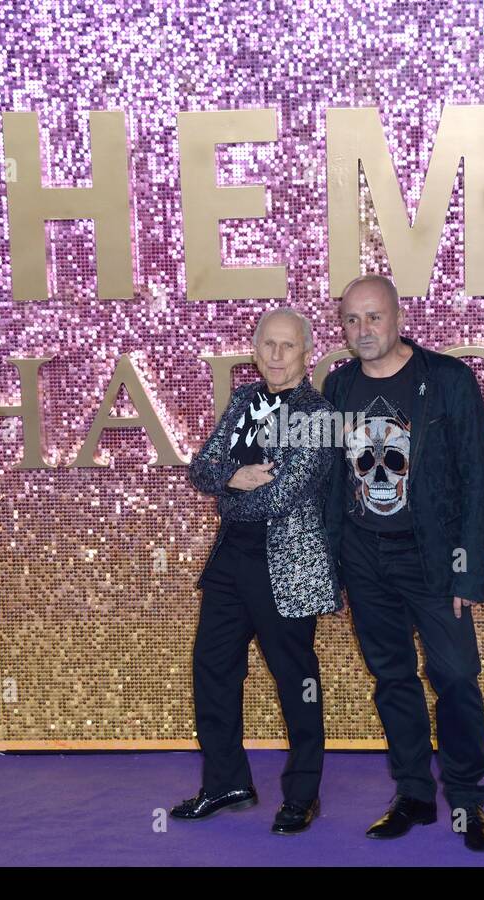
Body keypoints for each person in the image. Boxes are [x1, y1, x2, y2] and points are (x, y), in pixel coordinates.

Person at [321, 274, 484, 852]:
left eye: (373, 317)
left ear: (398, 318)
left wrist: (468, 571)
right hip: (363, 557)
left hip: (434, 557)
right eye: (351, 320)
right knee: (392, 678)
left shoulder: (447, 380)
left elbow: (478, 479)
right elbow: (330, 481)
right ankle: (414, 795)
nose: (363, 330)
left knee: (454, 676)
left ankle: (469, 803)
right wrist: (333, 564)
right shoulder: (339, 384)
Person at [172, 308, 342, 834]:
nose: (275, 355)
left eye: (286, 346)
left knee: (297, 680)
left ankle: (302, 795)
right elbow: (201, 467)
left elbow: (286, 494)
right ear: (254, 348)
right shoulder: (246, 399)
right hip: (230, 563)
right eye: (267, 344)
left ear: (306, 352)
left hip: (287, 567)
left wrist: (228, 494)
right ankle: (226, 782)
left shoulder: (318, 414)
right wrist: (233, 478)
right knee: (213, 668)